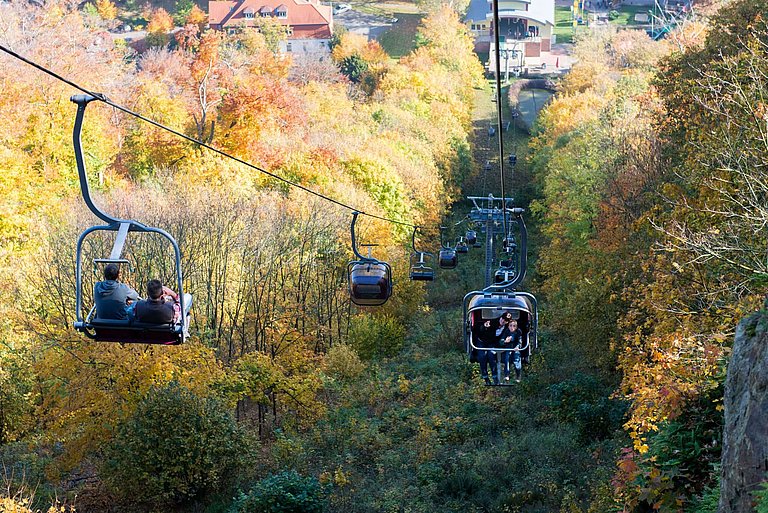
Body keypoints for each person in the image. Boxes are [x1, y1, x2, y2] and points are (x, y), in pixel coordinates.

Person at [498, 313, 524, 382]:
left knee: (516, 361)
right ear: (508, 326)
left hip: (515, 348)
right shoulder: (506, 331)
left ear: (516, 327)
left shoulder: (518, 332)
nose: (512, 327)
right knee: (507, 359)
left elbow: (519, 341)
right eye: (510, 326)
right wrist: (505, 341)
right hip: (508, 348)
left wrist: (518, 347)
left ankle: (518, 376)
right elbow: (501, 341)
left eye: (514, 326)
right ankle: (506, 375)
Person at [475, 318, 500, 385]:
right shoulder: (481, 324)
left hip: (491, 342)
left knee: (491, 355)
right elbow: (476, 330)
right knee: (482, 356)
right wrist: (484, 326)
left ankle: (495, 377)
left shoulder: (497, 324)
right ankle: (485, 377)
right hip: (481, 341)